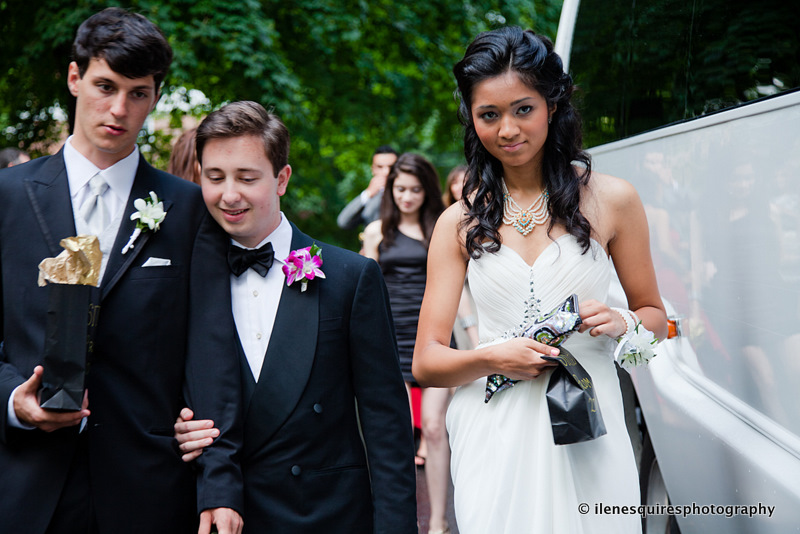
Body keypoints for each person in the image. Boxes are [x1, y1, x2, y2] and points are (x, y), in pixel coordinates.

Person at [412, 27, 668, 534]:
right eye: (489, 115)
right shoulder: (457, 222)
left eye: (522, 109)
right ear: (473, 119)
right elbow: (427, 362)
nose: (507, 129)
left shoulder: (613, 199)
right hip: (493, 432)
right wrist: (492, 357)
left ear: (553, 105)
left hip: (588, 430)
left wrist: (622, 321)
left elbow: (655, 320)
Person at [0, 8, 243, 534]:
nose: (118, 109)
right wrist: (12, 402)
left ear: (155, 97)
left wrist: (220, 482)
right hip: (22, 484)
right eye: (105, 86)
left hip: (147, 488)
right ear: (74, 77)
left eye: (138, 93)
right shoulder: (7, 199)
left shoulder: (188, 209)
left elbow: (212, 350)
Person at [174, 101, 418, 533]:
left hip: (326, 516)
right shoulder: (182, 279)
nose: (229, 195)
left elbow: (386, 425)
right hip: (218, 514)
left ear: (282, 178)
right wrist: (178, 426)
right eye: (214, 178)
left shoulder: (351, 278)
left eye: (247, 178)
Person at [361, 153, 451, 534]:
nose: (407, 196)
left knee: (432, 427)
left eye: (415, 189)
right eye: (400, 189)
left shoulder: (440, 229)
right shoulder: (377, 231)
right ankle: (397, 519)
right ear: (390, 190)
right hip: (388, 338)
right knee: (394, 431)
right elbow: (364, 287)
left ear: (426, 190)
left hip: (431, 337)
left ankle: (438, 522)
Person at [442, 164, 480, 351]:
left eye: (465, 180)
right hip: (459, 298)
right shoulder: (444, 221)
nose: (460, 186)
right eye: (455, 182)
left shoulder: (488, 218)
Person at [336, 145, 398, 230]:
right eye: (380, 167)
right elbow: (343, 222)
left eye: (391, 167)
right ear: (372, 169)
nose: (386, 172)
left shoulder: (408, 195)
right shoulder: (369, 199)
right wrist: (368, 194)